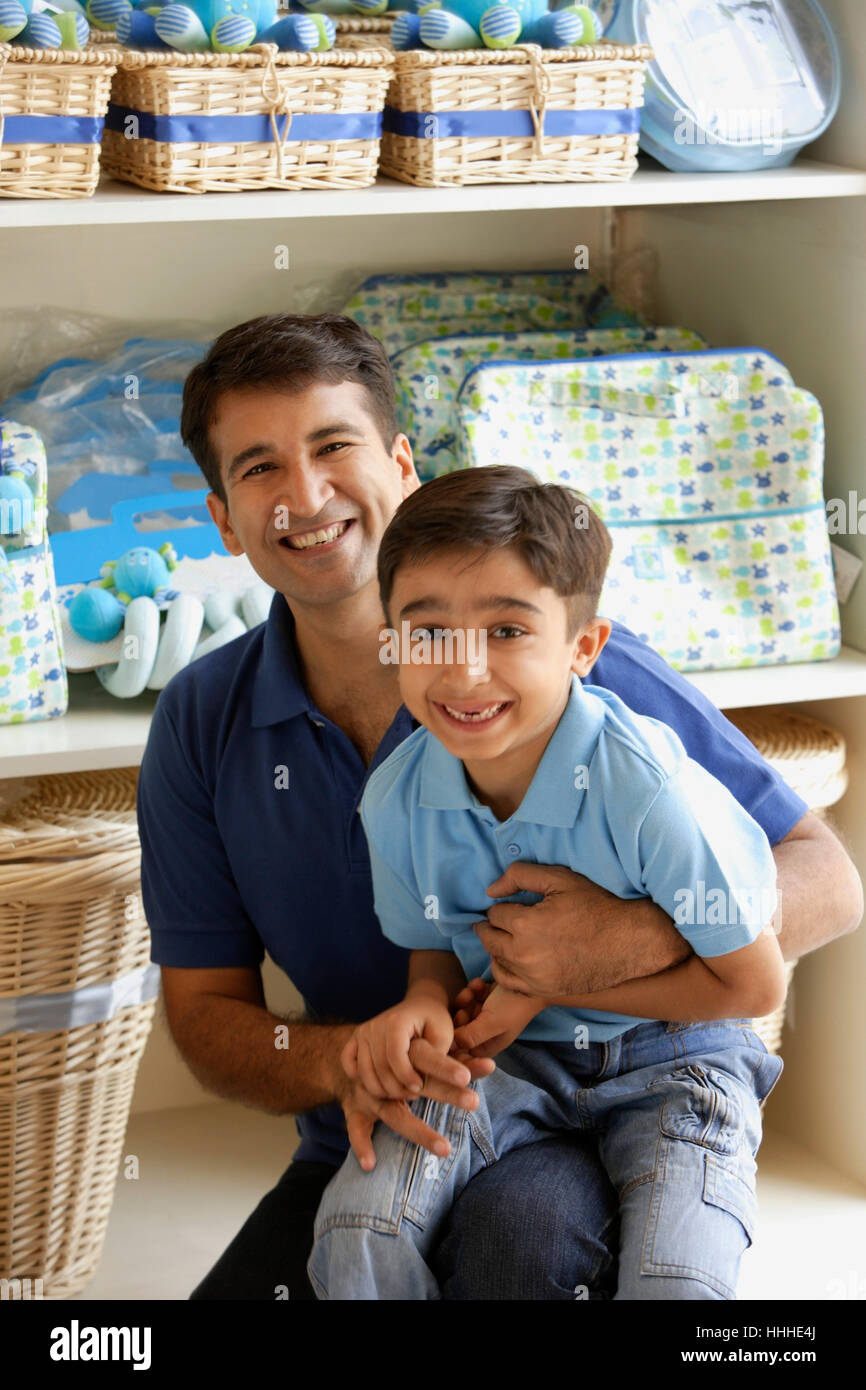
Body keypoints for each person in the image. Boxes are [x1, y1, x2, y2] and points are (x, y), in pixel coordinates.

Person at [136, 312, 863, 1301]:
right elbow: (208, 1016)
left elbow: (826, 879)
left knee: (521, 1243)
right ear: (223, 518)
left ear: (400, 466)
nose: (304, 496)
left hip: (614, 1096)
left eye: (332, 445)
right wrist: (343, 1060)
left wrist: (615, 942)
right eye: (258, 468)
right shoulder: (201, 719)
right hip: (397, 1117)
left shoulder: (558, 668)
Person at [307, 465, 789, 1301]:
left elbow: (751, 985)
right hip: (510, 1059)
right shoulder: (395, 798)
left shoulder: (648, 793)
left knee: (676, 1285)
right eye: (428, 633)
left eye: (506, 631)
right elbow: (433, 948)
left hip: (682, 1059)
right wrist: (424, 1007)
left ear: (583, 646)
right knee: (353, 1234)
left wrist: (555, 981)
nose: (462, 673)